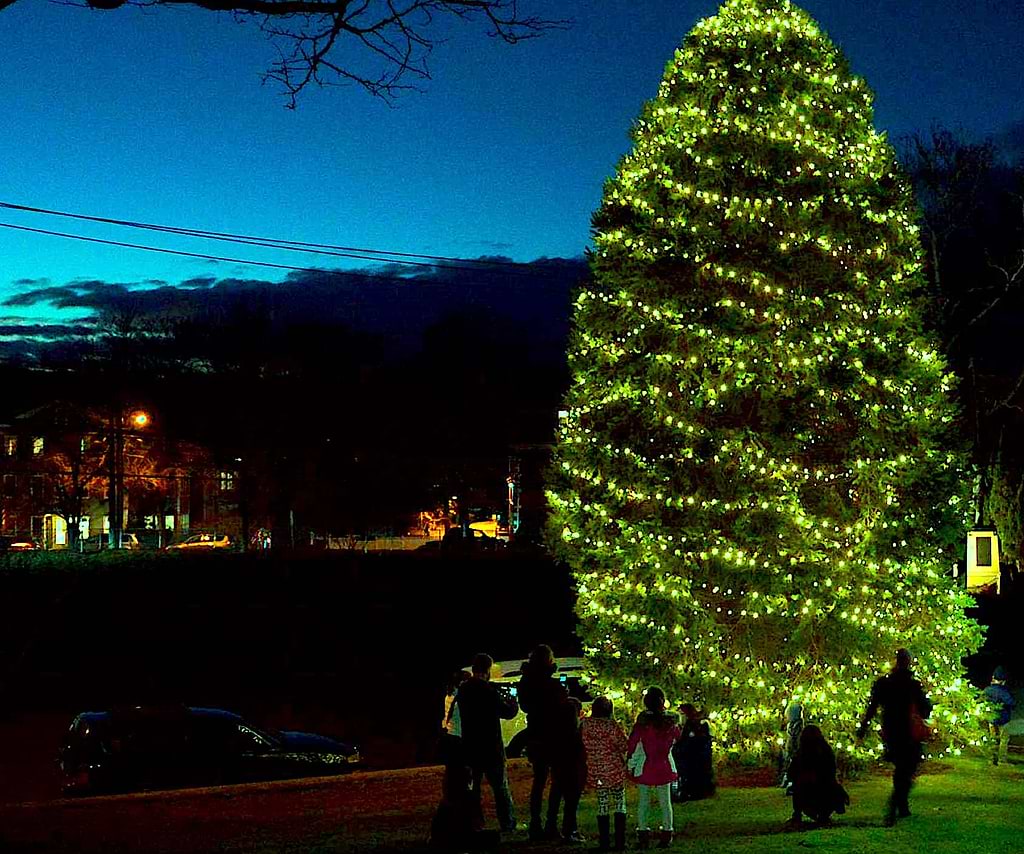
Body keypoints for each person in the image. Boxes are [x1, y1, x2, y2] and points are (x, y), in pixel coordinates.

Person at [857, 648, 933, 826]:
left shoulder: (884, 683)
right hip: (908, 732)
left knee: (901, 768)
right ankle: (895, 805)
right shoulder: (912, 684)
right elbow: (924, 708)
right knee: (907, 770)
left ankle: (901, 805)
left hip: (891, 731)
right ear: (908, 662)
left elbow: (872, 707)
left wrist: (864, 727)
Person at [456, 653, 519, 834]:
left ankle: (474, 823)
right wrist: (512, 702)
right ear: (488, 670)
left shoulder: (464, 690)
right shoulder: (488, 690)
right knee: (500, 788)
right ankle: (507, 823)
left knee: (472, 789)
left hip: (471, 745)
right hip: (491, 746)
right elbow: (507, 712)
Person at [517, 644, 570, 841]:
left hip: (536, 734)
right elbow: (560, 707)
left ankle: (535, 824)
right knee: (556, 781)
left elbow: (525, 706)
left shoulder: (526, 682)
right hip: (554, 736)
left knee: (539, 781)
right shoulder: (552, 685)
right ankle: (551, 823)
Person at [627, 687, 681, 849]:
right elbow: (676, 740)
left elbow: (635, 746)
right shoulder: (671, 724)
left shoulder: (642, 726)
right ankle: (667, 832)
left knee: (643, 802)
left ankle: (643, 833)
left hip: (646, 765)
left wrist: (630, 765)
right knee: (666, 803)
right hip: (664, 765)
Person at [581, 696, 629, 851]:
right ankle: (620, 842)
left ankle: (604, 842)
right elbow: (622, 745)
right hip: (614, 770)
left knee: (602, 805)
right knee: (619, 802)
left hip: (596, 771)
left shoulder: (586, 725)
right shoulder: (611, 726)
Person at [785, 725, 849, 827]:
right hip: (820, 792)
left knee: (798, 787)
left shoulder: (802, 753)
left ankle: (800, 814)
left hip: (809, 793)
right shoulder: (825, 751)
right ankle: (823, 815)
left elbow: (791, 773)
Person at [547, 697, 587, 844]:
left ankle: (551, 826)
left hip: (559, 769)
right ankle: (569, 830)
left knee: (556, 797)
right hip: (573, 770)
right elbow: (581, 753)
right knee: (571, 801)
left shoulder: (556, 732)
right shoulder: (575, 734)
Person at [671, 703, 714, 802]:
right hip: (691, 755)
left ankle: (691, 791)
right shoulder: (689, 725)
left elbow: (690, 741)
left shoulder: (696, 724)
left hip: (693, 756)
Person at [983, 666, 1015, 766]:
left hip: (991, 719)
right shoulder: (1004, 692)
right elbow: (1011, 703)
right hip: (1003, 719)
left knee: (992, 739)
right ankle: (1002, 760)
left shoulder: (987, 690)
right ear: (1003, 681)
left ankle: (991, 759)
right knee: (1004, 740)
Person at [779, 702, 804, 793]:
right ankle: (790, 782)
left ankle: (793, 784)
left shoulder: (798, 726)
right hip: (791, 749)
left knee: (795, 767)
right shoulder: (791, 726)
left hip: (795, 750)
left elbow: (796, 739)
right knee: (790, 766)